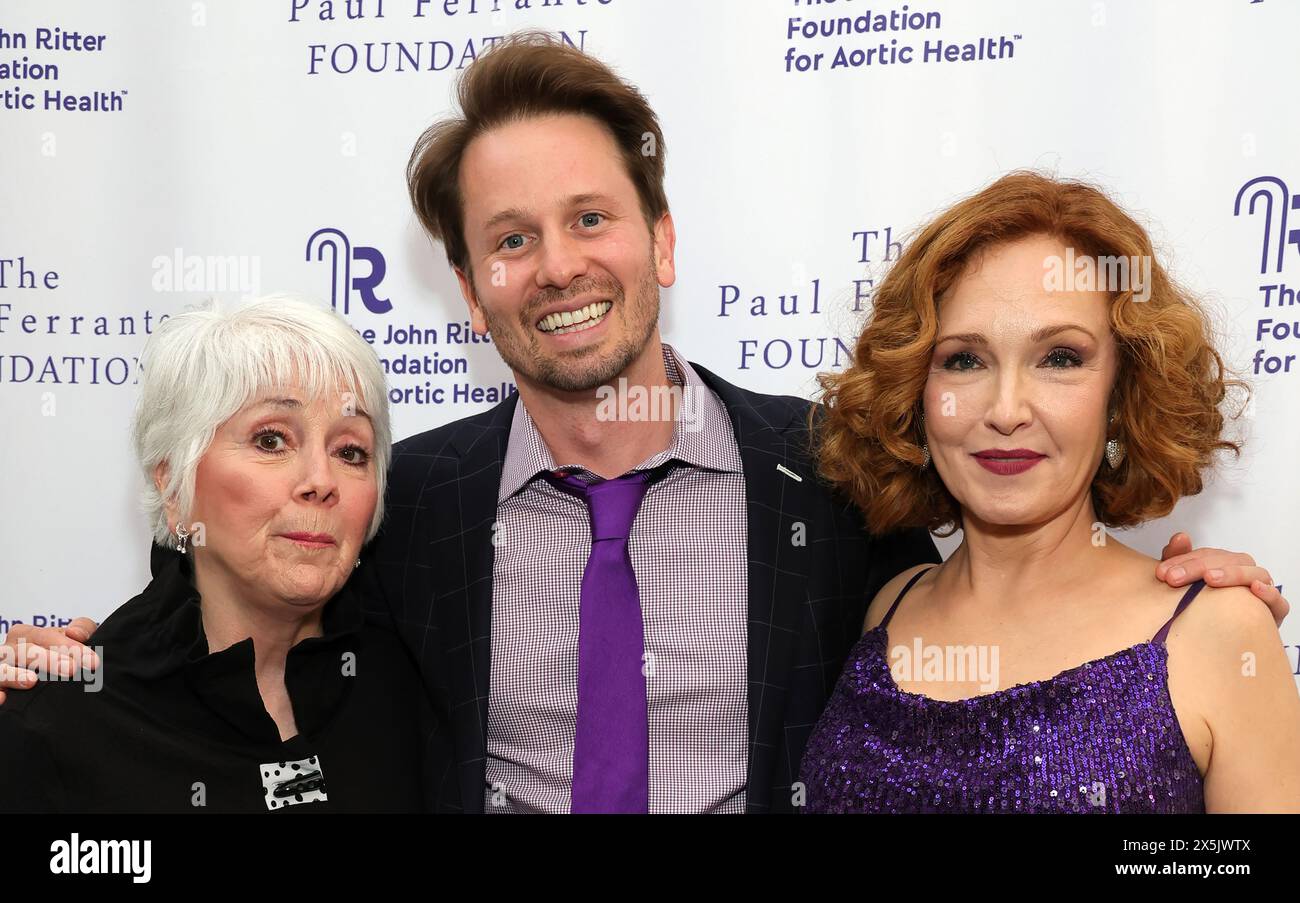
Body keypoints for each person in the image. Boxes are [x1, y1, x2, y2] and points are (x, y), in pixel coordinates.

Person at [1, 35, 1285, 815]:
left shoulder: (834, 480)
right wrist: (75, 661)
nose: (556, 266)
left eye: (590, 218)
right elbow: (256, 603)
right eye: (510, 239)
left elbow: (1035, 547)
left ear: (661, 238)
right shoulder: (407, 502)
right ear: (468, 287)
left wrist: (1199, 587)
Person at [798, 172, 1300, 813]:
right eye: (964, 360)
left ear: (1123, 398)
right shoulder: (890, 607)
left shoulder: (1218, 632)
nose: (1006, 410)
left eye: (1060, 358)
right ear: (915, 398)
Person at [0, 296, 432, 812]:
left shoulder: (414, 689)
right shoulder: (62, 720)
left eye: (350, 452)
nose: (321, 481)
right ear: (174, 486)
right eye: (271, 440)